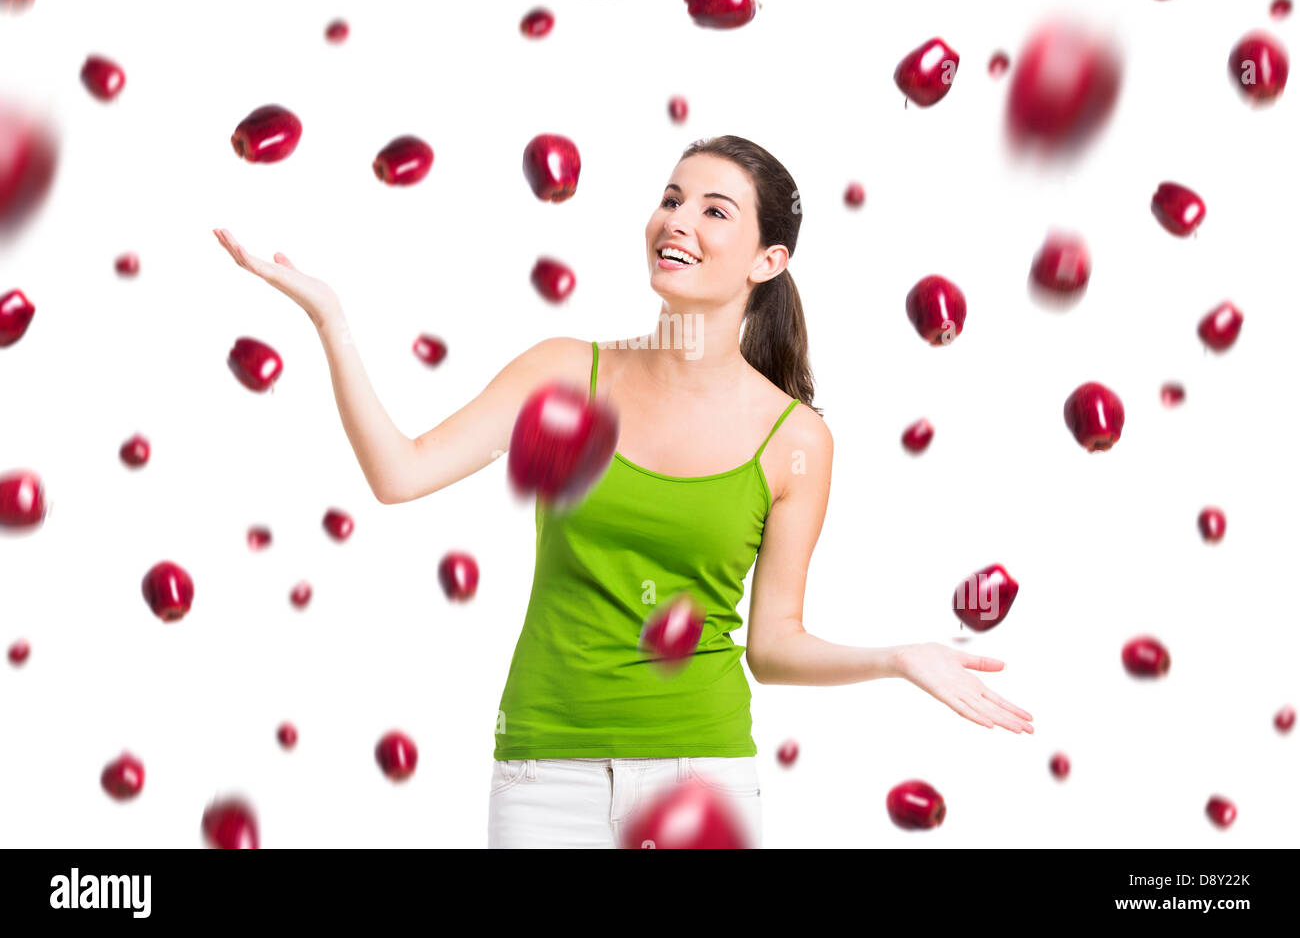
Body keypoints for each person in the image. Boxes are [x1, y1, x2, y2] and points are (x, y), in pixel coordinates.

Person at [213, 134, 1033, 849]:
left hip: (701, 777)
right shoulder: (567, 372)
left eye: (715, 211)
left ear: (767, 260)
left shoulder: (796, 441)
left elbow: (772, 644)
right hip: (543, 774)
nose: (677, 220)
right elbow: (399, 473)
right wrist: (332, 322)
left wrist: (896, 657)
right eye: (671, 199)